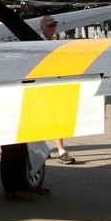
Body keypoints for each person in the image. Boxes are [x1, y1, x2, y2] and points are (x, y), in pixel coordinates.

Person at [35, 16, 77, 164]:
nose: (52, 28)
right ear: (42, 27)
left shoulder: (54, 43)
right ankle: (48, 149)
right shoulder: (36, 43)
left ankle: (60, 150)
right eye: (49, 25)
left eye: (54, 25)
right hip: (39, 87)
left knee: (56, 118)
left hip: (53, 85)